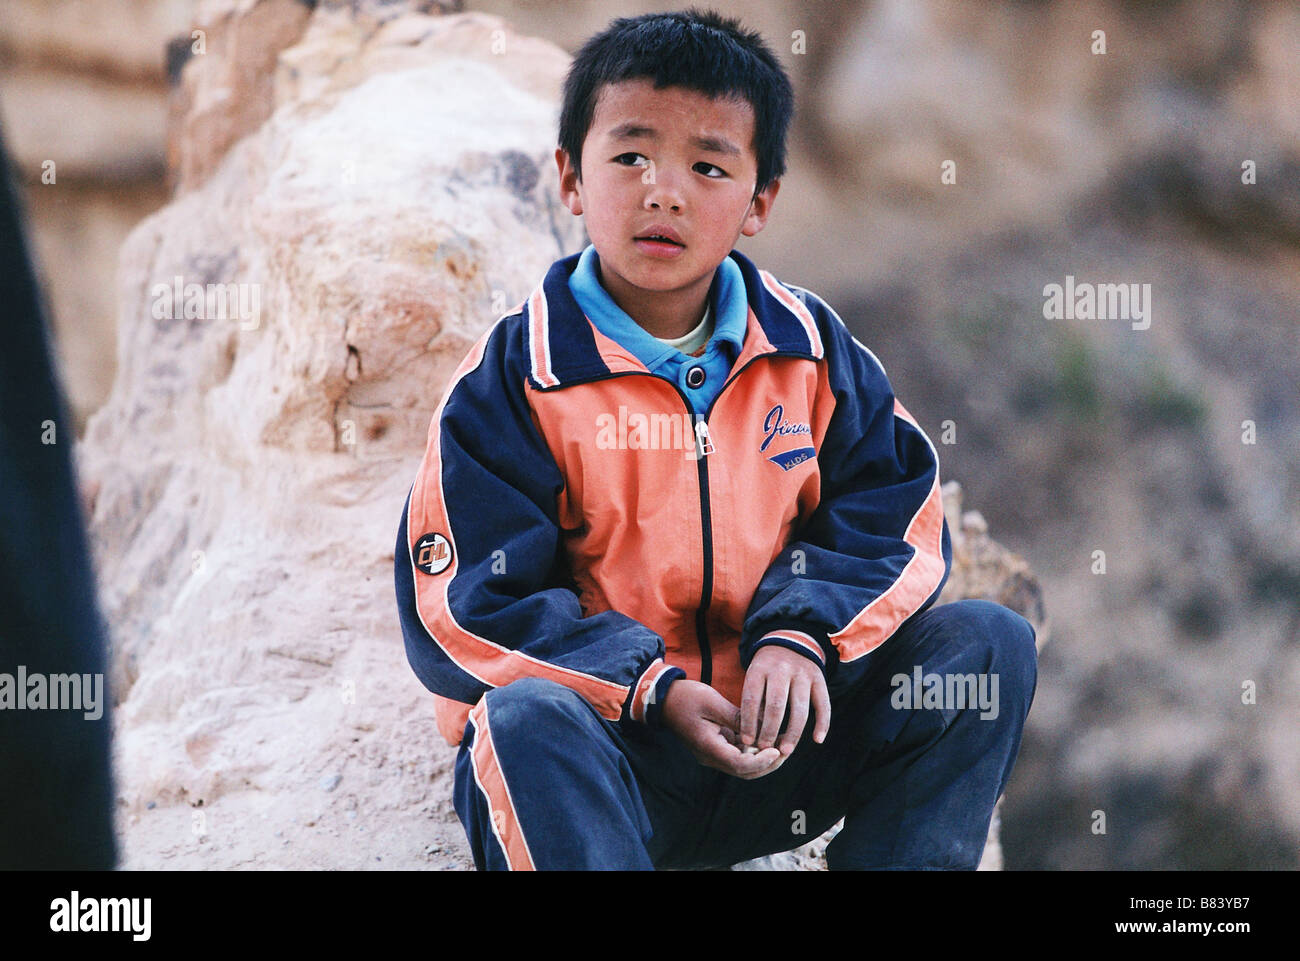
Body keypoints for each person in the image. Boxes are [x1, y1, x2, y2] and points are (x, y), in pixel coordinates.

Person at [395, 7, 1037, 870]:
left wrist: (801, 635)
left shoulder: (809, 353)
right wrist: (649, 690)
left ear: (760, 200)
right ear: (571, 179)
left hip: (783, 753)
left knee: (987, 649)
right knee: (523, 722)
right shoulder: (516, 378)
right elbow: (464, 607)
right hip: (622, 760)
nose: (664, 190)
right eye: (630, 156)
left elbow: (896, 513)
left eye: (707, 164)